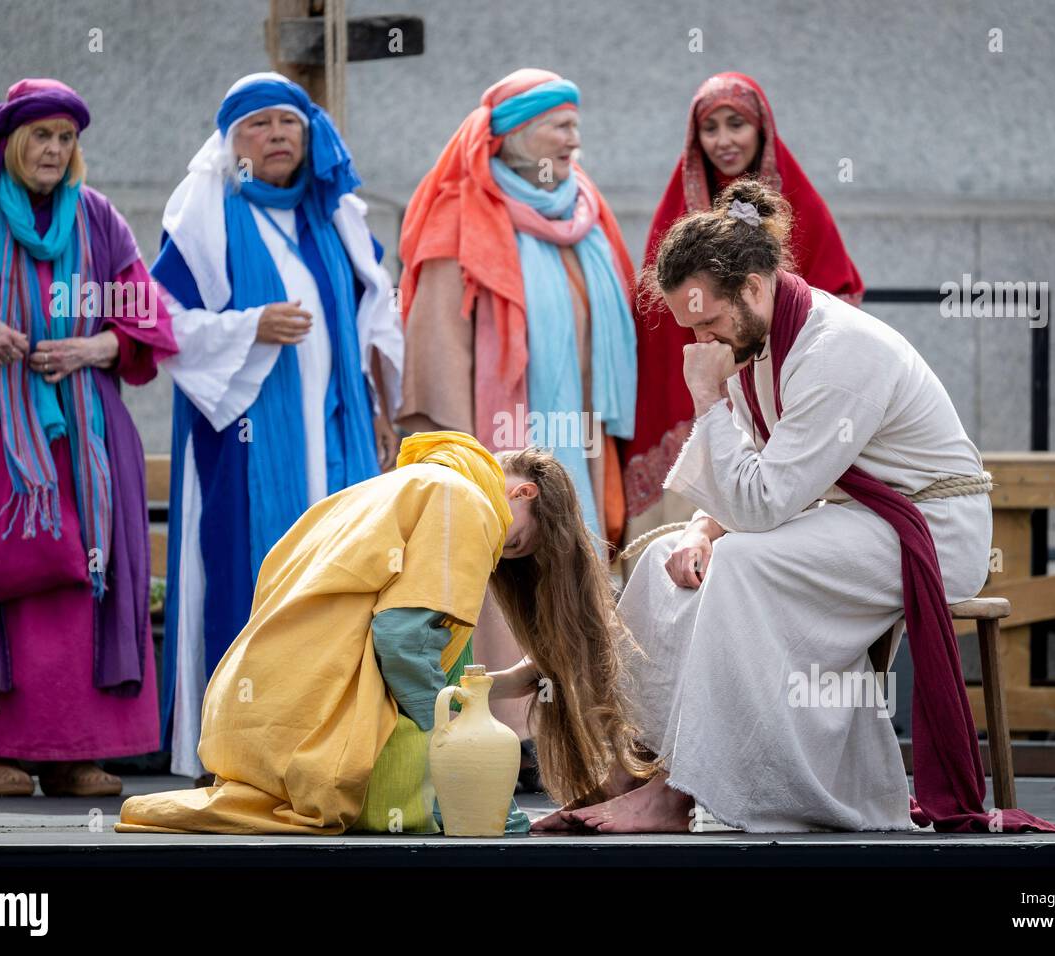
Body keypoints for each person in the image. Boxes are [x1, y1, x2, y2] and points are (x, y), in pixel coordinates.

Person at [548, 179, 1055, 834]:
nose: (701, 341)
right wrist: (703, 531)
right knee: (663, 562)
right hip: (853, 517)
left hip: (930, 530)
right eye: (691, 325)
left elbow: (765, 501)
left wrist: (708, 403)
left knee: (740, 567)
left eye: (707, 321)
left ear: (756, 288)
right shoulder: (756, 341)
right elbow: (756, 478)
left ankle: (680, 796)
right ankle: (637, 769)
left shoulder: (838, 350)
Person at [115, 433, 655, 835]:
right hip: (314, 745)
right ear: (524, 493)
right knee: (452, 821)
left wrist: (505, 683)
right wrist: (468, 772)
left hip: (255, 721)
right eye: (515, 547)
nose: (501, 556)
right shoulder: (465, 502)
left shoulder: (395, 486)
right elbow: (400, 643)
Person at [0, 78, 176, 797]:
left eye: (67, 138)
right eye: (41, 137)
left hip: (87, 438)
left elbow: (148, 324)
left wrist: (91, 350)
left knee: (81, 585)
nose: (55, 150)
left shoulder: (101, 218)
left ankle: (75, 752)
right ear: (12, 144)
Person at [151, 72, 403, 782]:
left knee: (345, 576)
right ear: (230, 144)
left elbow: (379, 318)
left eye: (288, 123)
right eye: (257, 126)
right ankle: (242, 747)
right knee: (253, 567)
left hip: (341, 434)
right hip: (245, 440)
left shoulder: (337, 216)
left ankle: (335, 744)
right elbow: (160, 323)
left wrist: (385, 408)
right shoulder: (206, 217)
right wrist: (249, 326)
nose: (277, 136)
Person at [397, 67, 637, 738]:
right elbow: (437, 341)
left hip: (577, 441)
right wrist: (466, 457)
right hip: (498, 447)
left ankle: (584, 726)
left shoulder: (587, 210)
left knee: (575, 570)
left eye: (575, 126)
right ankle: (510, 731)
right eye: (560, 125)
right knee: (505, 582)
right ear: (516, 135)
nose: (573, 139)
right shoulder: (460, 212)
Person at [622, 72, 864, 558]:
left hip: (782, 371)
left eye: (737, 124)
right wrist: (707, 358)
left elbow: (838, 289)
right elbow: (653, 306)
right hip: (685, 374)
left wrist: (779, 343)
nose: (724, 140)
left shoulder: (800, 204)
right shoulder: (677, 214)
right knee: (678, 537)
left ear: (761, 129)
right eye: (710, 129)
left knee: (763, 514)